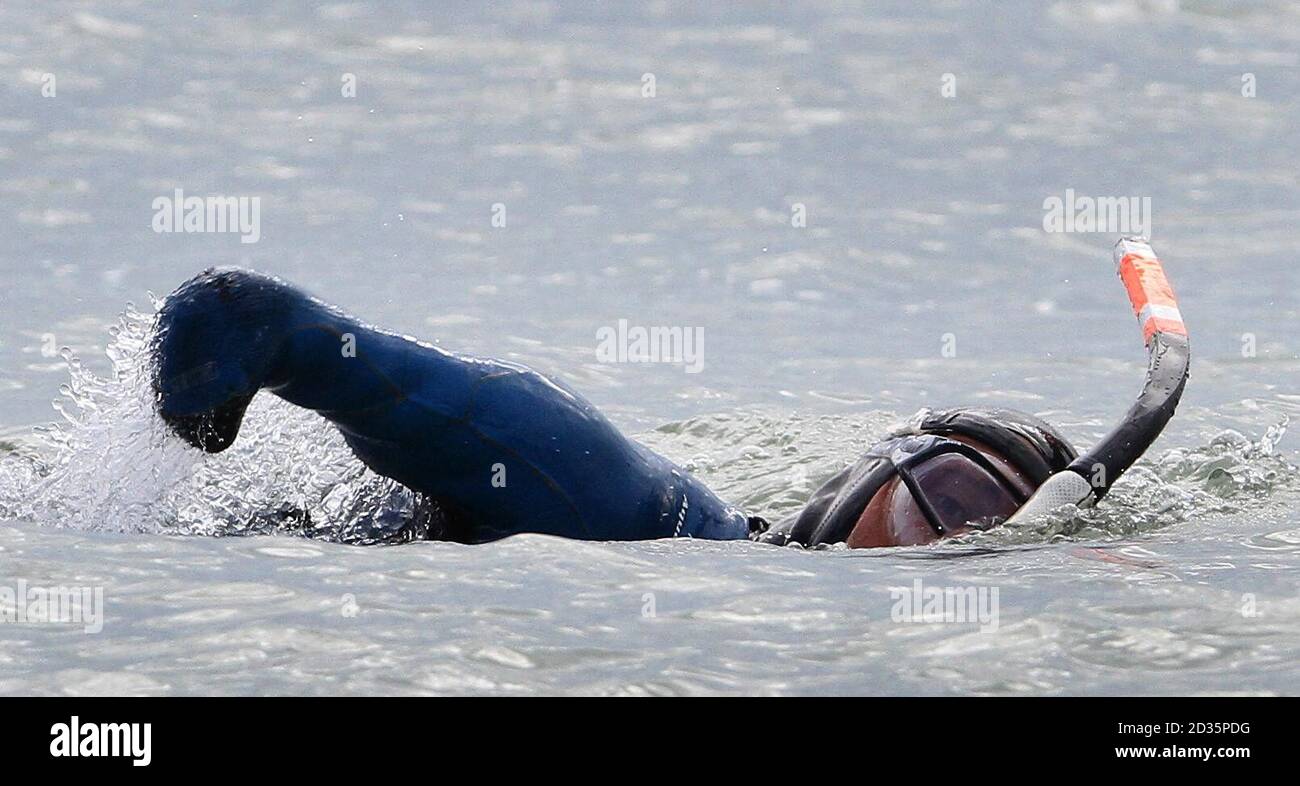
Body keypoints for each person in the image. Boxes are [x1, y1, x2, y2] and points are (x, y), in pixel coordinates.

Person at [152, 238, 1187, 548]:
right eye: (953, 503)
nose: (952, 546)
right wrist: (257, 345)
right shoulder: (645, 517)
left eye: (986, 531)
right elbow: (236, 313)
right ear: (886, 465)